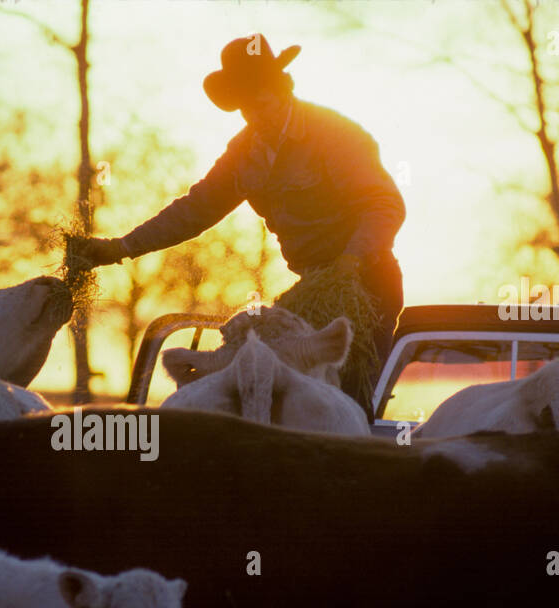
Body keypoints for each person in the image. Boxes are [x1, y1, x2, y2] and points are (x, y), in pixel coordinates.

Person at [78, 34, 406, 415]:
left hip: (366, 285)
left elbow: (385, 203)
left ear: (284, 91)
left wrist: (352, 259)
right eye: (246, 108)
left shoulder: (336, 136)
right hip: (313, 288)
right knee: (281, 396)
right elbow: (195, 208)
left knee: (348, 398)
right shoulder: (244, 152)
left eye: (262, 104)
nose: (255, 116)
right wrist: (121, 247)